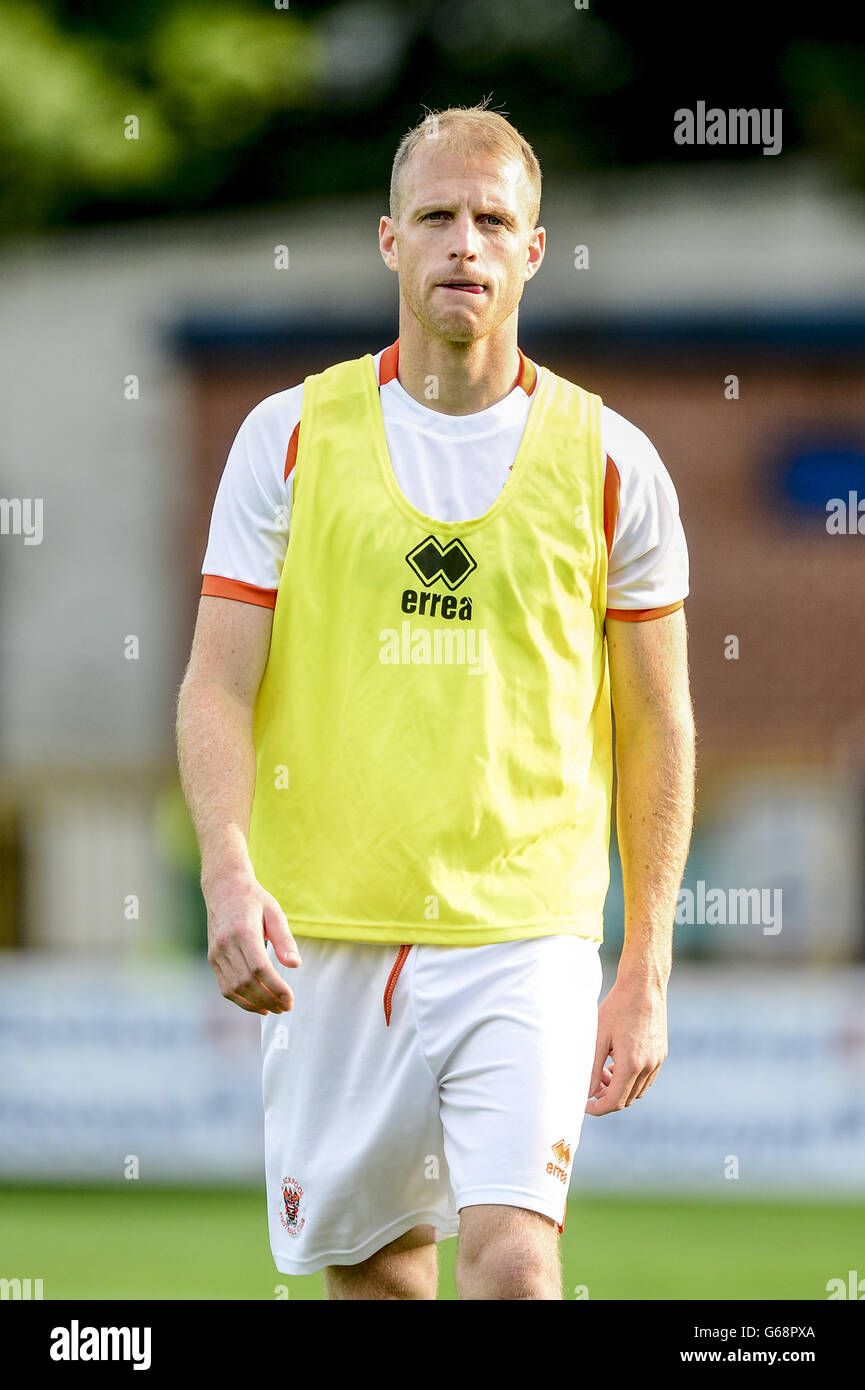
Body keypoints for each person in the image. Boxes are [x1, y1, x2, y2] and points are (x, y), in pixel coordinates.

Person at [175, 101, 696, 1301]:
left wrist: (646, 961)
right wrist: (226, 867)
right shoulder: (286, 438)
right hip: (329, 937)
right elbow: (215, 680)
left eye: (492, 219)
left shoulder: (615, 463)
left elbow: (657, 722)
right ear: (388, 241)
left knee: (514, 1265)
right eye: (437, 217)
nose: (464, 242)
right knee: (375, 1273)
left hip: (527, 931)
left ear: (532, 250)